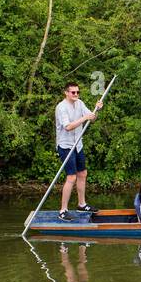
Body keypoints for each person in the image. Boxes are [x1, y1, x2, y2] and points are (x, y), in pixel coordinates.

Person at [55, 82, 102, 220]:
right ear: (66, 93)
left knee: (82, 173)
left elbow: (91, 118)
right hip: (65, 146)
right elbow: (68, 127)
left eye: (77, 92)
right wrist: (85, 118)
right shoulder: (61, 107)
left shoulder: (80, 103)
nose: (76, 94)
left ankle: (82, 204)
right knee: (71, 177)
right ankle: (63, 211)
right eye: (73, 92)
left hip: (78, 145)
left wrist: (96, 110)